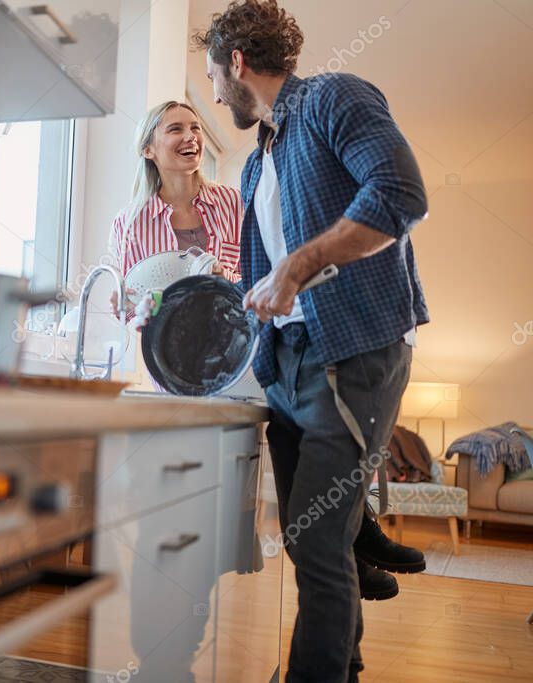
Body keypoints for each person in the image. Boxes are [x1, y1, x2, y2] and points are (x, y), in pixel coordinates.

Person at [192, 1, 429, 681]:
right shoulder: (255, 163)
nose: (214, 95)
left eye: (212, 77)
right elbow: (261, 282)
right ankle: (343, 649)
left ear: (236, 63)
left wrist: (296, 267)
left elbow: (400, 194)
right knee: (311, 540)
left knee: (317, 541)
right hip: (288, 363)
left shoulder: (332, 98)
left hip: (352, 349)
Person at [107, 100, 244, 325]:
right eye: (176, 129)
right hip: (170, 342)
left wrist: (224, 279)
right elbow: (131, 310)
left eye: (195, 128)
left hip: (236, 336)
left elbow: (262, 279)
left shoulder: (234, 203)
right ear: (148, 149)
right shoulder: (130, 223)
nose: (191, 136)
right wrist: (132, 309)